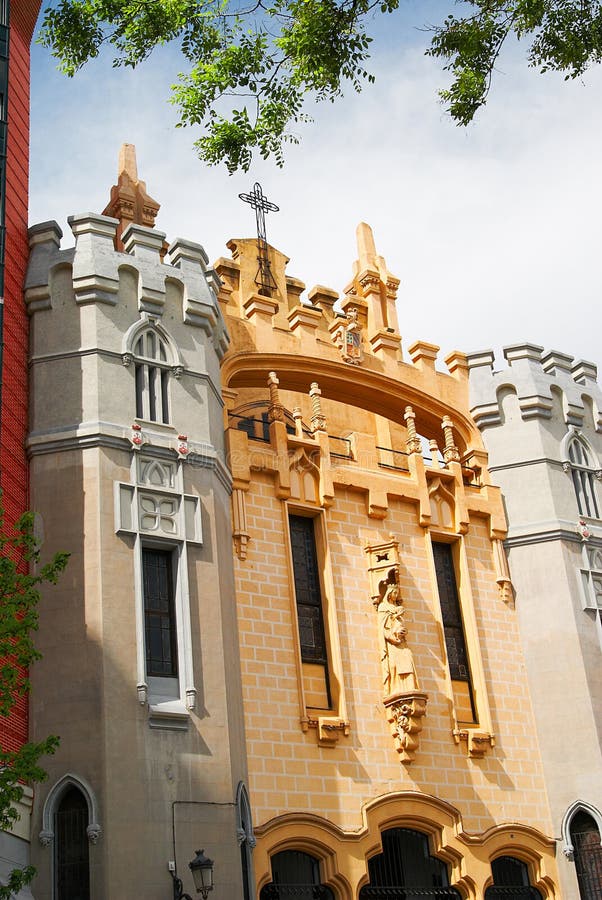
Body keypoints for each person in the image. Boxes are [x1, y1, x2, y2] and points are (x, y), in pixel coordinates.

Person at [377, 580, 419, 696]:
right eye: (394, 593)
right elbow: (382, 628)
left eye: (397, 593)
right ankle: (395, 689)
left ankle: (410, 688)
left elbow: (401, 625)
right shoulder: (383, 607)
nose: (396, 595)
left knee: (408, 659)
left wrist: (404, 631)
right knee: (394, 665)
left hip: (402, 643)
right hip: (392, 643)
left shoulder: (399, 608)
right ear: (389, 594)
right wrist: (393, 637)